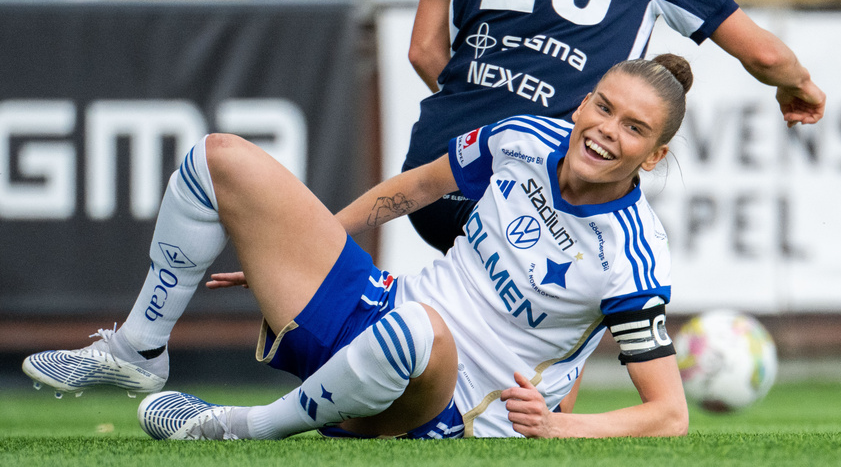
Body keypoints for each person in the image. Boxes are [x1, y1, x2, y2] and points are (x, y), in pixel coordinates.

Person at [24, 55, 693, 440]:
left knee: (419, 328)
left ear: (656, 156)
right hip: (381, 314)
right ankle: (139, 350)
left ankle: (243, 427)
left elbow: (668, 413)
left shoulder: (630, 255)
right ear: (582, 104)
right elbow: (418, 186)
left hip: (445, 405)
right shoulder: (520, 137)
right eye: (603, 107)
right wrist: (307, 240)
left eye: (633, 128)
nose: (607, 131)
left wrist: (560, 428)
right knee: (219, 157)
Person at [404, 0, 826, 253]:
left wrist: (485, 101)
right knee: (561, 334)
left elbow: (423, 51)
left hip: (438, 168)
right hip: (539, 190)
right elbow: (764, 55)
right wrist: (801, 85)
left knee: (468, 319)